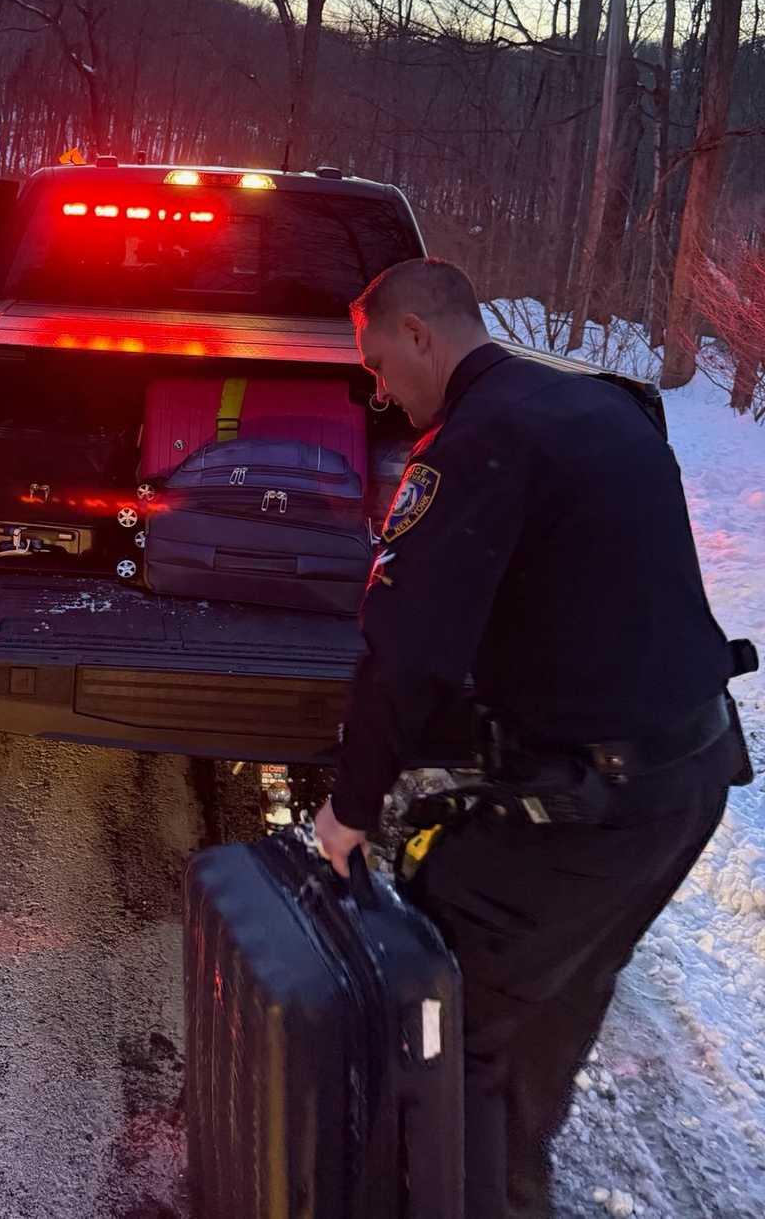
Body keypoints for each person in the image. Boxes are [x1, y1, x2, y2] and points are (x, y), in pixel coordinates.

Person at [313, 257, 752, 1219]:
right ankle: (513, 1185)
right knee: (554, 1003)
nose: (379, 394)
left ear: (422, 334)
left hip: (596, 805)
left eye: (380, 364)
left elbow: (408, 655)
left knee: (446, 1014)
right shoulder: (594, 406)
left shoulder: (474, 443)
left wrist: (350, 809)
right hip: (690, 776)